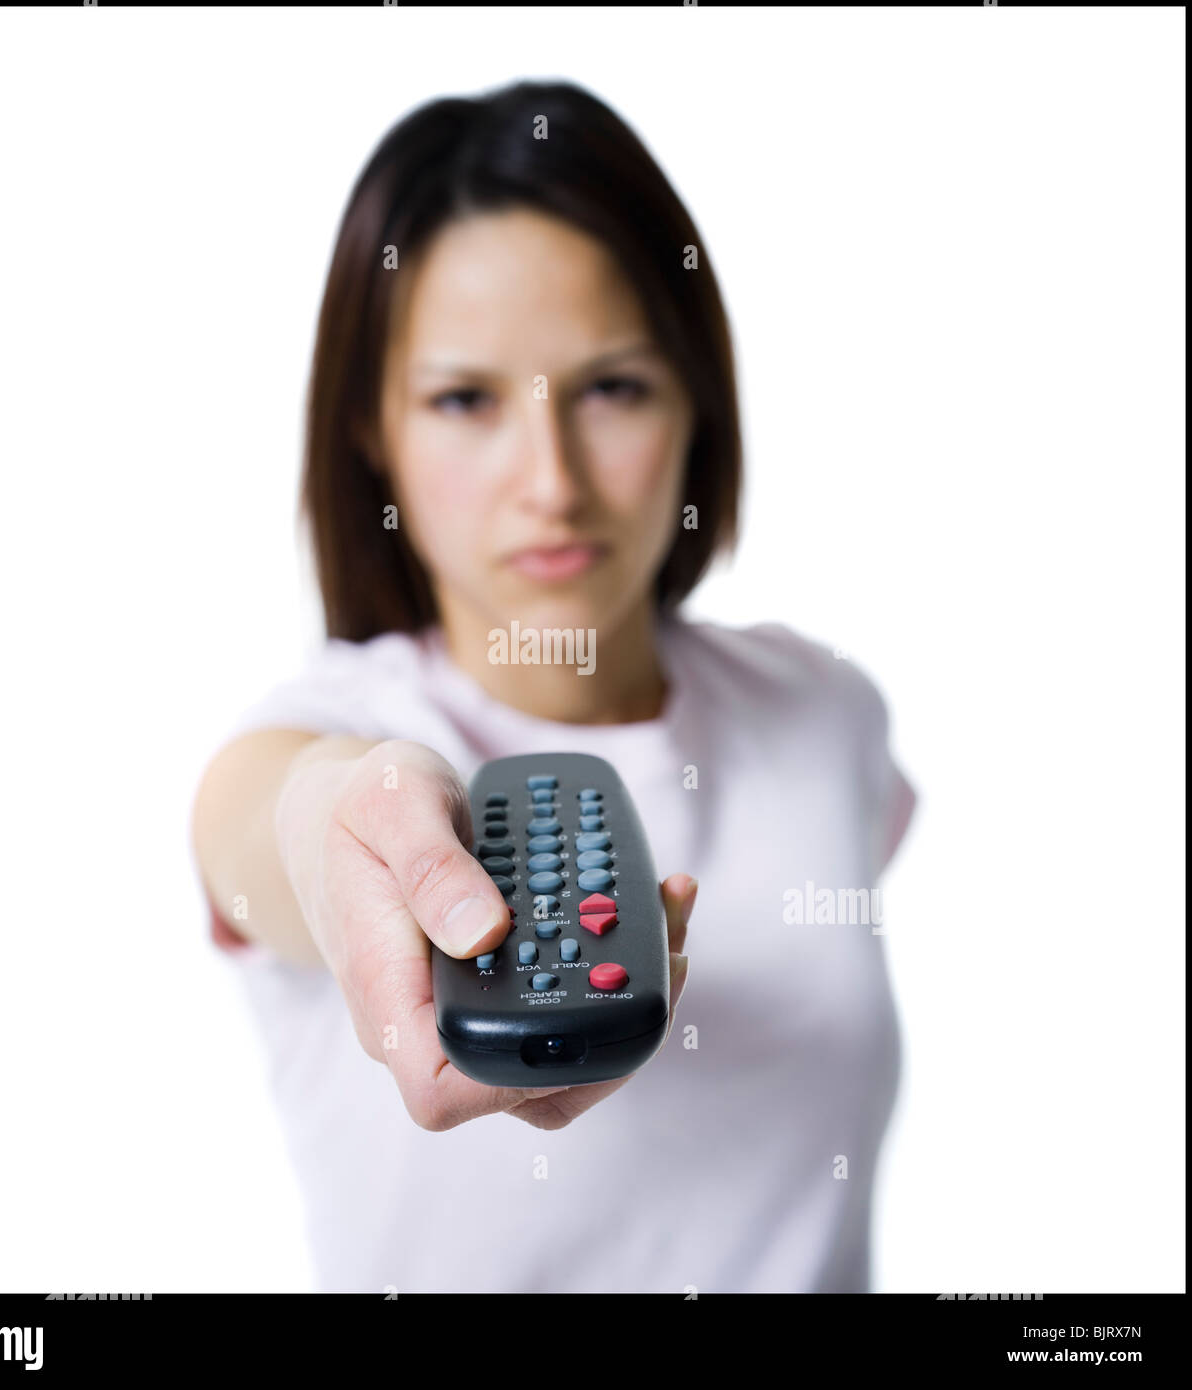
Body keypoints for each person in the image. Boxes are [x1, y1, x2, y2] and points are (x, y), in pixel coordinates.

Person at [191, 79, 916, 1294]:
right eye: (467, 399)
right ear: (373, 429)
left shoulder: (823, 709)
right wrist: (342, 823)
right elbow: (270, 825)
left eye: (613, 388)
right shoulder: (331, 731)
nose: (553, 480)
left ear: (697, 398)